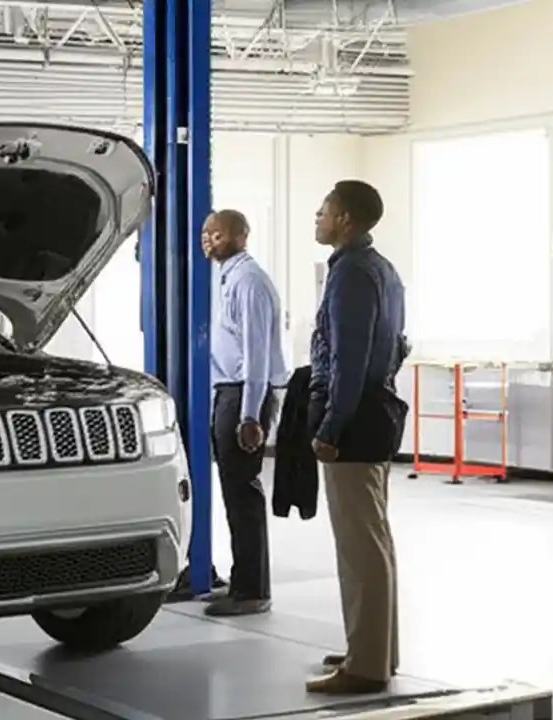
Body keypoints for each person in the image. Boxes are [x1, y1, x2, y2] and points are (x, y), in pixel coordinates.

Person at [305, 180, 409, 695]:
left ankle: (365, 667)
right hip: (379, 413)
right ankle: (375, 648)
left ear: (345, 217)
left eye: (324, 211)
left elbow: (349, 358)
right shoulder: (384, 270)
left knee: (358, 544)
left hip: (355, 419)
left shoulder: (348, 274)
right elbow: (396, 346)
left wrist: (331, 426)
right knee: (375, 539)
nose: (318, 218)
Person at [200, 209, 288, 617]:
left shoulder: (249, 281)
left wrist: (250, 415)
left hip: (244, 394)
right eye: (206, 234)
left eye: (217, 234)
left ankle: (252, 591)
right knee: (235, 492)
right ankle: (244, 583)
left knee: (243, 493)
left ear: (242, 235)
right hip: (230, 392)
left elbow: (256, 354)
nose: (209, 240)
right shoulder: (228, 277)